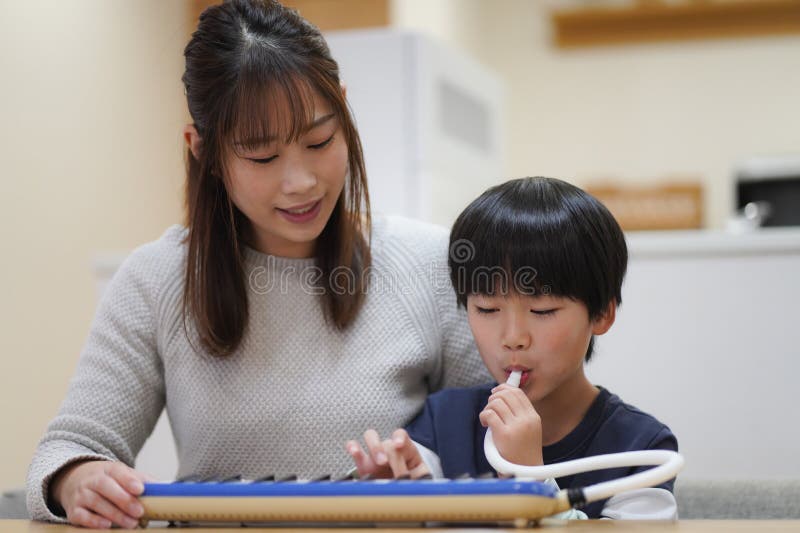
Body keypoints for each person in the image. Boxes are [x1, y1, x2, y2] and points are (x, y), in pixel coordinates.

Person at [26, 0, 489, 528]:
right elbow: (69, 448)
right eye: (262, 157)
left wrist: (431, 469)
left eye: (320, 141)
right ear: (203, 150)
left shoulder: (430, 262)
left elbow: (497, 446)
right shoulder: (157, 280)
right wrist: (78, 479)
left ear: (343, 110)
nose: (301, 182)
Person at [346, 177, 679, 519]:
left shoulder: (642, 448)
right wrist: (395, 506)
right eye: (487, 309)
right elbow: (413, 498)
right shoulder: (443, 422)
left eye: (542, 310)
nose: (513, 337)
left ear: (601, 314)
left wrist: (529, 477)